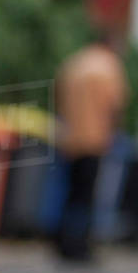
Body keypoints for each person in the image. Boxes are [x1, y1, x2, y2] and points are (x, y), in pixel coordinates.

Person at [55, 30, 129, 260]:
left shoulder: (75, 63)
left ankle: (64, 244)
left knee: (70, 193)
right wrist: (113, 132)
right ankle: (81, 248)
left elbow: (57, 95)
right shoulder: (109, 66)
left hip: (70, 138)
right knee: (87, 197)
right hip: (95, 139)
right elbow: (115, 106)